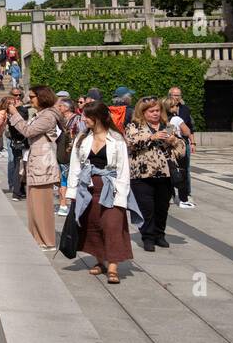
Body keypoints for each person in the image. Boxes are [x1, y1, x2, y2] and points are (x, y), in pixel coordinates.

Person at [67, 100, 138, 285]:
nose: (84, 119)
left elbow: (123, 169)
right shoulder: (82, 138)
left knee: (112, 224)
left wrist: (121, 195)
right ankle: (100, 261)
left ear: (98, 117)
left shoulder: (116, 139)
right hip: (88, 188)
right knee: (93, 224)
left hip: (111, 187)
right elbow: (75, 166)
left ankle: (113, 266)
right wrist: (71, 194)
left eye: (87, 116)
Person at [6, 86, 66, 251]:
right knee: (34, 206)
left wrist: (14, 113)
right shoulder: (43, 114)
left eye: (32, 97)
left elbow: (28, 131)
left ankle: (47, 240)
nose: (29, 99)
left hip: (43, 165)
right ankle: (37, 239)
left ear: (42, 97)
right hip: (37, 163)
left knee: (42, 207)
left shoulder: (48, 116)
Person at [125, 97, 186, 252]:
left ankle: (160, 234)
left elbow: (181, 150)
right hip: (142, 174)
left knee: (162, 207)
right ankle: (148, 237)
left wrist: (174, 141)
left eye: (157, 110)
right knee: (147, 208)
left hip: (165, 173)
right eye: (151, 111)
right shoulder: (134, 126)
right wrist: (151, 137)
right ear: (143, 112)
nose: (155, 114)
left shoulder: (169, 126)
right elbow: (130, 143)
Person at [166, 86, 196, 208]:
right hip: (174, 145)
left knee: (182, 170)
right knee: (176, 170)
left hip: (177, 145)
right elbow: (185, 131)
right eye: (174, 95)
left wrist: (192, 143)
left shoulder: (184, 110)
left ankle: (182, 194)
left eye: (179, 95)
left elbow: (190, 128)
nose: (177, 97)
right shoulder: (172, 117)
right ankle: (178, 196)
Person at [5, 87, 29, 200]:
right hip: (15, 139)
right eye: (15, 95)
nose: (17, 97)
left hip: (20, 139)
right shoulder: (13, 109)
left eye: (19, 95)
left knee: (19, 164)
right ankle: (16, 189)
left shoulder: (22, 108)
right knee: (16, 164)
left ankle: (20, 189)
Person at [54, 92, 75, 216]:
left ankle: (65, 204)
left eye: (61, 106)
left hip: (71, 155)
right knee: (63, 180)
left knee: (67, 180)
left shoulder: (76, 120)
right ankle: (63, 205)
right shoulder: (61, 121)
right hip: (62, 154)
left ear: (66, 108)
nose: (59, 108)